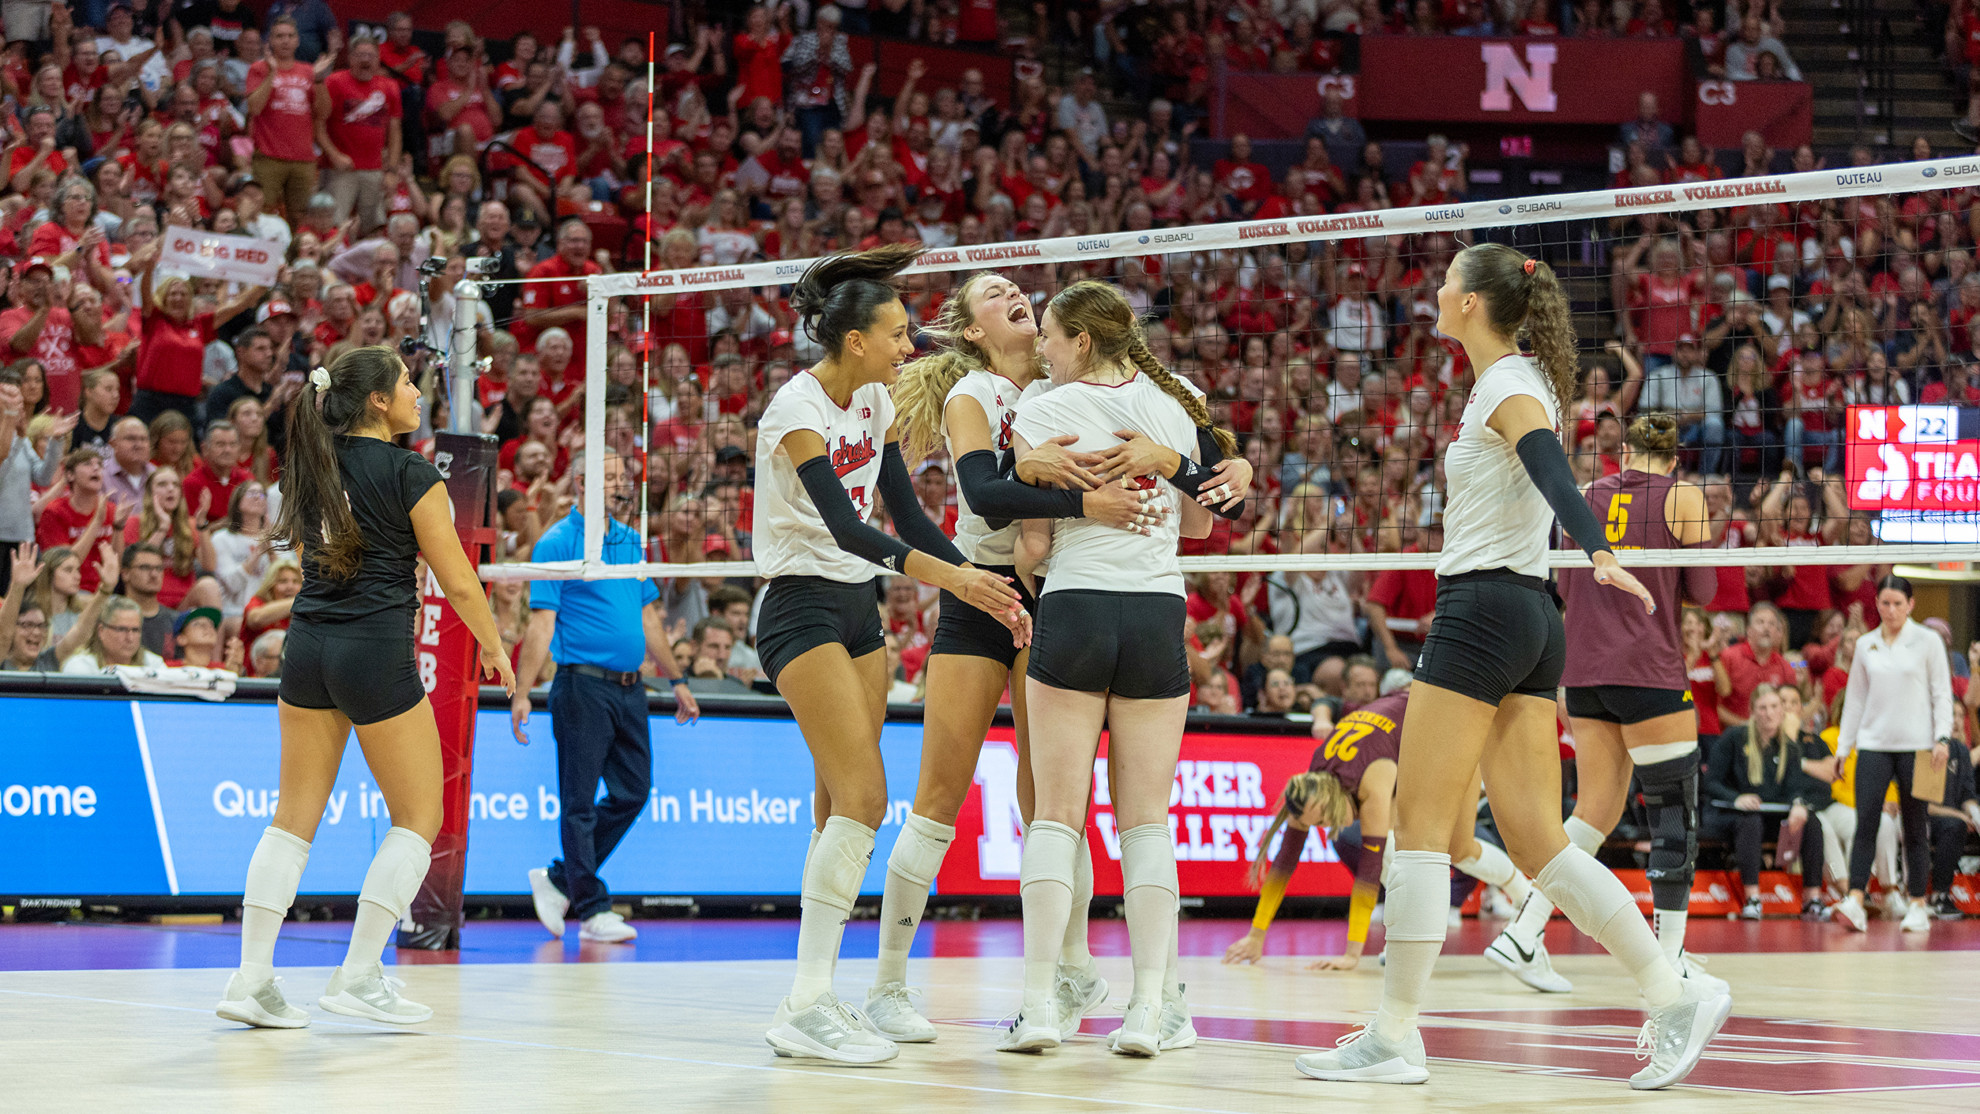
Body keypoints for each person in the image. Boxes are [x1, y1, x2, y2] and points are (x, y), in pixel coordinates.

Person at [1293, 244, 1729, 1091]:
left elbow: (1549, 466)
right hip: (1529, 618)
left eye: (1449, 277)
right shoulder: (1511, 378)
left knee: (1420, 830)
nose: (1437, 286)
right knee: (1537, 841)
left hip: (1482, 614)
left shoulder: (1509, 385)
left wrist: (1599, 546)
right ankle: (1672, 992)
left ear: (1471, 302)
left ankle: (1394, 1035)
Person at [874, 271, 1242, 1046]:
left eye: (1024, 296)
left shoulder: (1061, 385)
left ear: (1072, 339)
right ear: (975, 328)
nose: (1016, 297)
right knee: (945, 795)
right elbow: (982, 493)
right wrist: (1094, 499)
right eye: (994, 294)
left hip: (1058, 599)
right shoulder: (976, 392)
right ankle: (888, 983)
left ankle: (1070, 975)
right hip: (989, 592)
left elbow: (1204, 447)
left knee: (1055, 809)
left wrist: (1231, 463)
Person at [753, 244, 1022, 1064]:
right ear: (856, 339)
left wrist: (974, 573)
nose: (910, 349)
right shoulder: (793, 409)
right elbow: (846, 527)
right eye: (899, 334)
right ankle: (804, 1002)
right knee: (867, 797)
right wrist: (956, 581)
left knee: (838, 804)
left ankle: (819, 994)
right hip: (798, 602)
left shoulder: (875, 397)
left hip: (857, 608)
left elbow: (903, 513)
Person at [214, 346, 516, 1030]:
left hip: (308, 648)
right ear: (377, 399)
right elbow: (459, 580)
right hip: (373, 651)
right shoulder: (413, 471)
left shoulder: (311, 464)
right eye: (408, 382)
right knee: (418, 817)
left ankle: (251, 977)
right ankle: (357, 974)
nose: (417, 392)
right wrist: (495, 648)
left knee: (291, 818)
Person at [999, 279, 1214, 1056]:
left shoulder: (1043, 409)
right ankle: (1151, 1011)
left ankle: (1040, 1008)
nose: (1042, 350)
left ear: (1082, 341)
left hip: (1079, 604)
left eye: (1050, 337)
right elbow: (1199, 518)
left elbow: (1029, 539)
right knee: (1146, 822)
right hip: (1157, 609)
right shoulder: (1179, 395)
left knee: (1058, 814)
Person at [1490, 412, 1727, 995]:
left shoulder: (1587, 496)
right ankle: (1669, 956)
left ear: (1623, 450)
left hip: (1585, 674)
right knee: (1674, 814)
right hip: (1648, 670)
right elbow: (1704, 589)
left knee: (1593, 811)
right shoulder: (1683, 495)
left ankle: (1523, 933)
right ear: (1674, 458)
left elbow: (1567, 586)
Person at [510, 448, 700, 945]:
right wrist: (523, 692)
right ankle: (591, 907)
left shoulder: (631, 541)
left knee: (634, 791)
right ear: (580, 485)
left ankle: (558, 879)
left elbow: (649, 617)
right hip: (582, 686)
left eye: (623, 476)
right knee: (578, 802)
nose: (621, 484)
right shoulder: (556, 544)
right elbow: (541, 623)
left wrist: (677, 679)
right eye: (609, 476)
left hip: (630, 689)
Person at [1224, 680, 1542, 973]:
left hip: (1449, 721)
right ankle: (1408, 935)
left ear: (1330, 800)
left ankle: (1524, 897)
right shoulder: (1309, 789)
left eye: (1321, 820)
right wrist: (1255, 935)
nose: (1323, 828)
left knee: (1457, 847)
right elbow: (1283, 863)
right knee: (1398, 846)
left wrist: (1352, 954)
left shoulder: (1373, 779)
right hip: (1413, 726)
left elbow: (1368, 871)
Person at [1828, 574, 1954, 934]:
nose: (1891, 609)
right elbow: (1854, 701)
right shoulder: (1866, 645)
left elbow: (1941, 694)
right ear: (1877, 604)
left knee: (1915, 827)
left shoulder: (1928, 642)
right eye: (1885, 603)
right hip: (1873, 746)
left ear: (1911, 605)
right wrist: (1843, 748)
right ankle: (1854, 899)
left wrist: (1942, 738)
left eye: (1898, 603)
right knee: (1866, 823)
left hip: (1918, 747)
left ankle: (1917, 903)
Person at [1704, 684, 1830, 918]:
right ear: (1752, 711)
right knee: (1750, 821)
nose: (1769, 713)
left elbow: (1795, 787)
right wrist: (1737, 798)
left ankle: (1812, 899)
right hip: (1733, 813)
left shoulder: (1790, 748)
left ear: (1782, 712)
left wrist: (1798, 804)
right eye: (1762, 708)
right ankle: (1753, 898)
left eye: (1774, 707)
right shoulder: (1734, 738)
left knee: (1811, 821)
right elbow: (1711, 782)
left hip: (1772, 814)